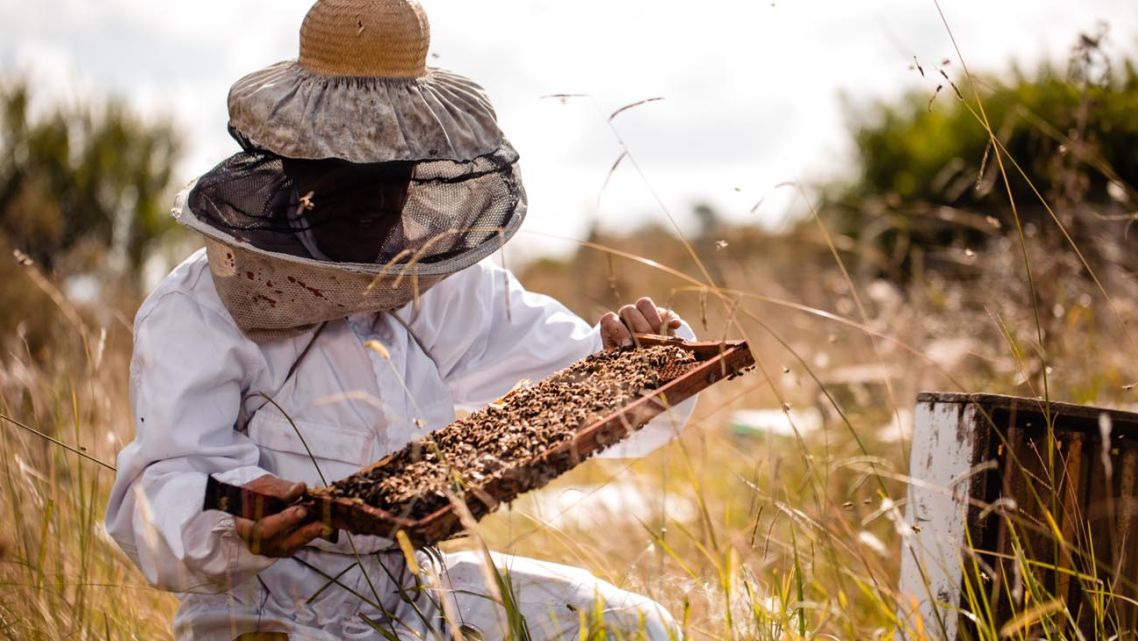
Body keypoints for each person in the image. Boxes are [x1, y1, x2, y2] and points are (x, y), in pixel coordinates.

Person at [105, 1, 696, 639]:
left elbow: (576, 379)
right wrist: (231, 523)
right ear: (299, 163)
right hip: (261, 612)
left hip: (414, 591)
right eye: (355, 174)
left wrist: (636, 361)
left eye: (395, 171)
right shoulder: (199, 307)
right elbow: (159, 494)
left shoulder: (436, 285)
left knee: (635, 627)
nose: (382, 200)